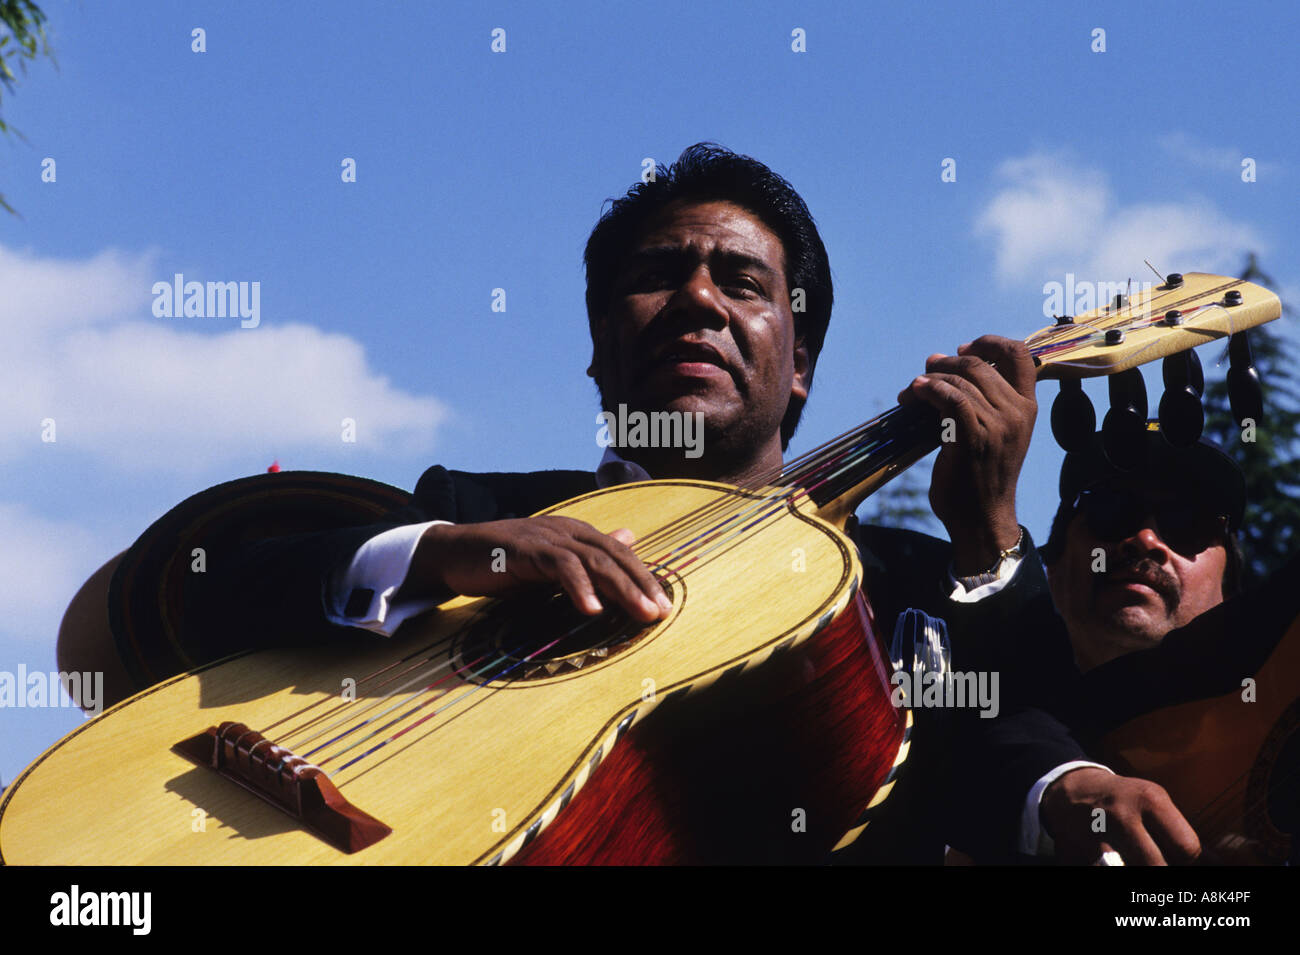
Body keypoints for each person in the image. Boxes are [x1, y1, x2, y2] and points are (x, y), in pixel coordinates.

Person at [77, 143, 1048, 862]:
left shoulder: (907, 584)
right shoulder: (469, 510)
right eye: (656, 276)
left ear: (801, 365)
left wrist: (990, 538)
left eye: (742, 281)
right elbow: (193, 594)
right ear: (596, 347)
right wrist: (437, 551)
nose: (698, 299)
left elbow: (1021, 758)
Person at [948, 423, 1265, 865]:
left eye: (1187, 524)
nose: (1147, 540)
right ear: (1051, 567)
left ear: (1230, 593)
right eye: (1111, 512)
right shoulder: (957, 705)